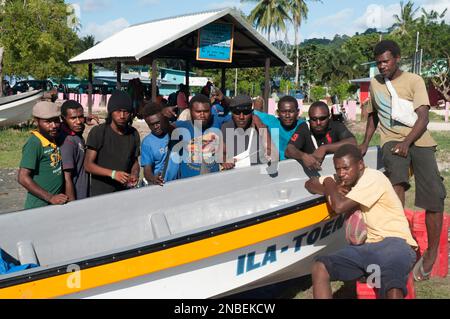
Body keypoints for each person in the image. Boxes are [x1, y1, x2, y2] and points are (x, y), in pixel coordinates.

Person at [359, 40, 446, 282]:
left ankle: (430, 254)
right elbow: (373, 116)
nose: (382, 66)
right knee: (396, 184)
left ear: (398, 58)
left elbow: (424, 118)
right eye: (378, 63)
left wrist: (407, 143)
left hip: (418, 138)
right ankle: (401, 243)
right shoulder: (375, 83)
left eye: (386, 61)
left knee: (435, 195)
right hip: (390, 140)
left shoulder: (414, 81)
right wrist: (365, 142)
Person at [306, 144, 417, 299]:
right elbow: (310, 183)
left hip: (395, 242)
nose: (341, 174)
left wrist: (331, 183)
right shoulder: (348, 179)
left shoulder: (372, 178)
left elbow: (339, 206)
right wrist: (331, 189)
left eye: (345, 168)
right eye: (337, 169)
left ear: (360, 165)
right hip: (368, 247)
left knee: (393, 285)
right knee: (320, 267)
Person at [84, 90, 141, 197]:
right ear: (111, 111)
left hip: (124, 193)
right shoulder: (99, 132)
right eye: (118, 111)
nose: (122, 116)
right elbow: (88, 165)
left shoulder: (134, 134)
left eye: (126, 112)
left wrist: (134, 174)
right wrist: (113, 174)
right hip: (100, 194)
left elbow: (134, 161)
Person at [18, 101, 68, 209]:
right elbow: (22, 177)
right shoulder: (34, 143)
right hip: (39, 205)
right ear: (37, 121)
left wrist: (85, 120)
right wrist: (50, 197)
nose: (54, 125)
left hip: (54, 204)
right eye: (48, 122)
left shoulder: (52, 136)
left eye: (56, 120)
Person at [286, 101, 357, 170]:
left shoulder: (336, 125)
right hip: (311, 174)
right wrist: (303, 156)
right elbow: (289, 149)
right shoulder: (304, 127)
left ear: (329, 117)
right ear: (309, 118)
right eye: (314, 119)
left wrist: (324, 148)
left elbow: (352, 142)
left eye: (322, 118)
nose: (318, 123)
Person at [172, 94, 229, 179]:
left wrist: (254, 116)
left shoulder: (216, 121)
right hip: (187, 184)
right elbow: (166, 128)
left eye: (206, 111)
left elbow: (236, 113)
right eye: (198, 112)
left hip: (212, 181)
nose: (202, 115)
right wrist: (163, 117)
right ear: (190, 111)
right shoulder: (183, 126)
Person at [220, 95, 272, 170]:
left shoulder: (259, 126)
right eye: (237, 113)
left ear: (251, 112)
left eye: (246, 112)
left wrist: (261, 126)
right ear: (231, 113)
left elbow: (271, 153)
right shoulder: (226, 127)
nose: (241, 117)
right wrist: (225, 161)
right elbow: (222, 153)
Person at [254, 95, 304, 161]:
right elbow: (250, 114)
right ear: (278, 112)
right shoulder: (271, 121)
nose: (287, 115)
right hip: (276, 164)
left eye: (291, 111)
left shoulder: (303, 126)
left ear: (297, 112)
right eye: (283, 112)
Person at [58, 100, 90, 201]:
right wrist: (73, 204)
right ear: (63, 119)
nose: (78, 121)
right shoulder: (67, 142)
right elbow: (67, 177)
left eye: (80, 117)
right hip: (76, 197)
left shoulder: (76, 135)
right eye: (73, 118)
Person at [141, 102, 179, 186]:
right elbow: (147, 170)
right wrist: (153, 178)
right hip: (162, 185)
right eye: (151, 125)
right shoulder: (147, 142)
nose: (155, 126)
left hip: (179, 183)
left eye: (158, 122)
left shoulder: (172, 132)